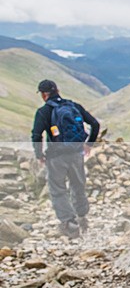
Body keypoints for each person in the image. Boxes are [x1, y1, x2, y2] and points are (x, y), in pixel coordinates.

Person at [31, 79, 100, 239]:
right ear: (58, 90)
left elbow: (36, 135)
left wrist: (39, 154)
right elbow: (95, 124)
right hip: (76, 154)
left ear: (44, 94)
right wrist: (88, 144)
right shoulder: (73, 106)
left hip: (56, 156)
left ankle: (69, 224)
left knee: (58, 190)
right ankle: (82, 218)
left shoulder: (43, 111)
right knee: (78, 186)